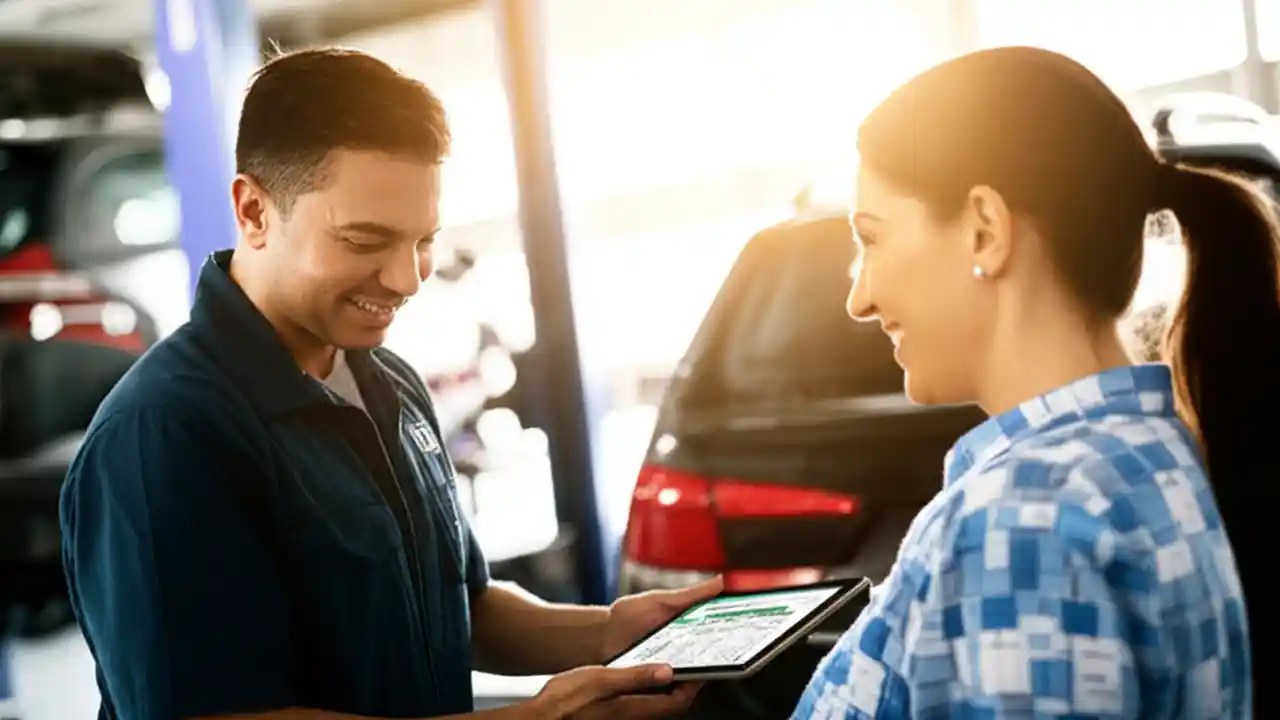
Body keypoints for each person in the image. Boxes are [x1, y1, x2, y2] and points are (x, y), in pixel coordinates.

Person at [59, 47, 717, 720]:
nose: (407, 279)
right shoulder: (165, 435)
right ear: (254, 211)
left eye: (422, 240)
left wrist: (613, 631)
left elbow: (457, 606)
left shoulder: (390, 384)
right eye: (365, 240)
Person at [792, 45, 1278, 718]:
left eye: (871, 239)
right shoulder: (1151, 455)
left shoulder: (1019, 520)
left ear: (985, 232)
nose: (859, 299)